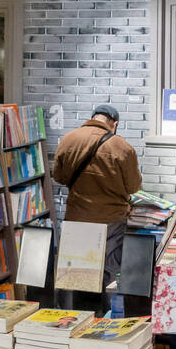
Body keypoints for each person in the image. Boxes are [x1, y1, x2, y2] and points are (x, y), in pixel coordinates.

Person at [51, 104, 142, 307]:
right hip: (110, 219)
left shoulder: (68, 139)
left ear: (93, 117)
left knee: (73, 271)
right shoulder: (122, 147)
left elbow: (59, 176)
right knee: (109, 271)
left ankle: (68, 316)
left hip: (78, 216)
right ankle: (108, 317)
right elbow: (134, 186)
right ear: (114, 124)